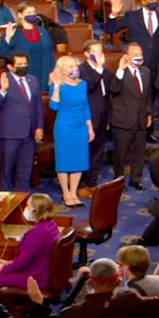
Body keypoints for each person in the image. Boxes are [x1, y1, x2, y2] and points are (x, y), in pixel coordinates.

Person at [105, 0, 159, 141]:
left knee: (151, 100)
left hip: (156, 65)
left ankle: (148, 132)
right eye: (150, 0)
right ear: (143, 1)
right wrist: (114, 14)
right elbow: (110, 29)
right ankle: (130, 131)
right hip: (136, 65)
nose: (154, 2)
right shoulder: (132, 16)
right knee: (136, 98)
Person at [0, 52, 46, 192]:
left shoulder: (33, 80)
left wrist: (39, 126)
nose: (23, 67)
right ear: (10, 66)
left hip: (30, 132)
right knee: (7, 168)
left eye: (25, 64)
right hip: (10, 133)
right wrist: (3, 90)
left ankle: (22, 195)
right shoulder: (0, 82)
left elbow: (38, 105)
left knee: (26, 167)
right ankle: (6, 197)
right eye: (19, 65)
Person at [107, 43, 154, 190]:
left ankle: (136, 178)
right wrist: (121, 69)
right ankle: (119, 178)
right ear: (126, 56)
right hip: (123, 119)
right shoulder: (118, 73)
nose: (139, 57)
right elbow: (114, 88)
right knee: (121, 152)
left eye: (140, 54)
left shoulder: (146, 72)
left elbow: (147, 96)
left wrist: (149, 113)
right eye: (135, 54)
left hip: (140, 118)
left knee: (139, 151)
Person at [49, 54, 93, 207]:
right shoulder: (58, 85)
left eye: (75, 66)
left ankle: (74, 192)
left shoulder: (82, 84)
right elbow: (54, 106)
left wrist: (90, 126)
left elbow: (85, 105)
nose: (74, 69)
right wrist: (55, 86)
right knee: (65, 160)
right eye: (70, 67)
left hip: (81, 126)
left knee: (78, 159)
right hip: (65, 127)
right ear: (62, 70)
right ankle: (66, 193)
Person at [0, 194, 62, 289]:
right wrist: (8, 263)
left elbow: (23, 261)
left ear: (35, 211)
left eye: (28, 206)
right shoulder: (52, 224)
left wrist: (3, 268)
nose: (25, 209)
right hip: (46, 270)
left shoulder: (37, 232)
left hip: (37, 277)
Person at [77, 40, 111, 197]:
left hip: (103, 115)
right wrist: (98, 70)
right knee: (85, 151)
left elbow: (109, 94)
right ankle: (81, 184)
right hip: (88, 116)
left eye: (101, 51)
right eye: (95, 51)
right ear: (86, 53)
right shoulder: (81, 70)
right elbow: (89, 86)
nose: (99, 54)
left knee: (98, 151)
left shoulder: (106, 70)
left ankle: (92, 182)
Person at [1, 2, 57, 83]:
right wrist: (8, 38)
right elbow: (3, 52)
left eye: (34, 12)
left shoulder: (42, 30)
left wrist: (53, 70)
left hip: (44, 72)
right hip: (24, 73)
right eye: (29, 13)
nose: (32, 15)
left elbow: (50, 52)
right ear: (20, 15)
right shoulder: (14, 31)